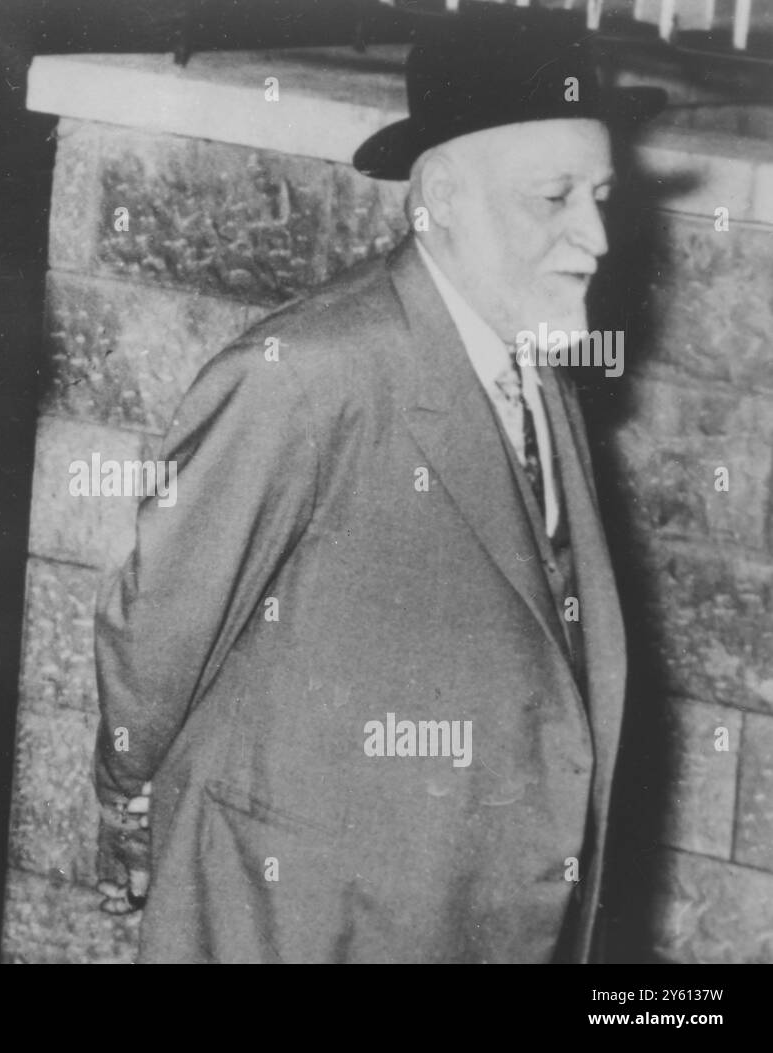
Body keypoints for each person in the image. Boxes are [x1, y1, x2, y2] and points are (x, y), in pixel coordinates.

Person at [92, 23, 666, 963]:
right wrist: (128, 801)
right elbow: (156, 623)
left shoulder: (540, 373)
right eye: (555, 197)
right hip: (312, 922)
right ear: (441, 197)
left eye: (599, 197)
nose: (597, 236)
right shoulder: (307, 375)